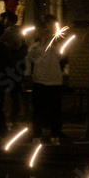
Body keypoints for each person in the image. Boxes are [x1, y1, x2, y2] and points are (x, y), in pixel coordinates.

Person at [27, 16, 67, 144]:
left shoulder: (57, 46)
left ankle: (54, 135)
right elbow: (31, 59)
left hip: (54, 82)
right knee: (38, 111)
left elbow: (62, 56)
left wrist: (53, 44)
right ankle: (37, 135)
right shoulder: (35, 47)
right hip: (39, 82)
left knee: (55, 111)